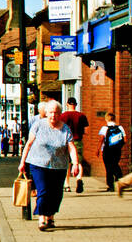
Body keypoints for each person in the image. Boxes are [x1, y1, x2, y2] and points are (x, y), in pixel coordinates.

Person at [19, 99, 80, 230]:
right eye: (51, 112)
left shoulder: (65, 128)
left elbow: (71, 147)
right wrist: (22, 161)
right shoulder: (38, 125)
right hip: (38, 164)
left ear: (60, 114)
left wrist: (75, 163)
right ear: (46, 113)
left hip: (59, 166)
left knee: (56, 194)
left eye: (56, 113)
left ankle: (51, 217)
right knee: (43, 191)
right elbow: (29, 143)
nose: (53, 115)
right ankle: (42, 218)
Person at [59, 97, 90, 192]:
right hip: (77, 140)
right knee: (78, 162)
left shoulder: (63, 116)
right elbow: (87, 131)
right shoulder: (81, 116)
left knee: (66, 163)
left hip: (65, 141)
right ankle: (79, 179)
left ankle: (67, 185)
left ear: (67, 104)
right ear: (76, 104)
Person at [98, 112, 126, 190]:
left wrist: (98, 150)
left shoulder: (104, 128)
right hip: (117, 150)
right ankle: (119, 180)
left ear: (106, 119)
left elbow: (101, 139)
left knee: (108, 167)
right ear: (114, 119)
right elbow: (125, 139)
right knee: (115, 164)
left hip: (107, 150)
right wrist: (119, 146)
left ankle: (110, 185)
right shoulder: (120, 127)